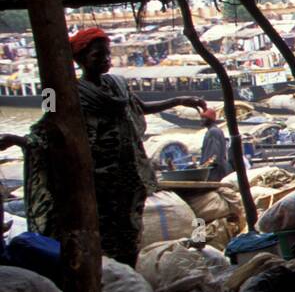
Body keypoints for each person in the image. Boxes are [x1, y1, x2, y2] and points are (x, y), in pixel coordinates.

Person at [24, 28, 206, 265]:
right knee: (99, 231)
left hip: (127, 174)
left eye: (107, 54)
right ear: (80, 60)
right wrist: (21, 141)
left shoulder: (117, 85)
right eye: (98, 55)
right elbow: (47, 124)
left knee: (129, 229)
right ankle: (106, 277)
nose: (105, 60)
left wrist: (179, 100)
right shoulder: (63, 92)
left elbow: (141, 107)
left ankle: (127, 273)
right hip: (97, 178)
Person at [198, 109, 231, 180]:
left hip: (215, 172)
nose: (201, 120)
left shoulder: (213, 132)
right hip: (216, 169)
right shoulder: (215, 131)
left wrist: (203, 167)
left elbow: (214, 156)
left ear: (210, 120)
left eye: (204, 118)